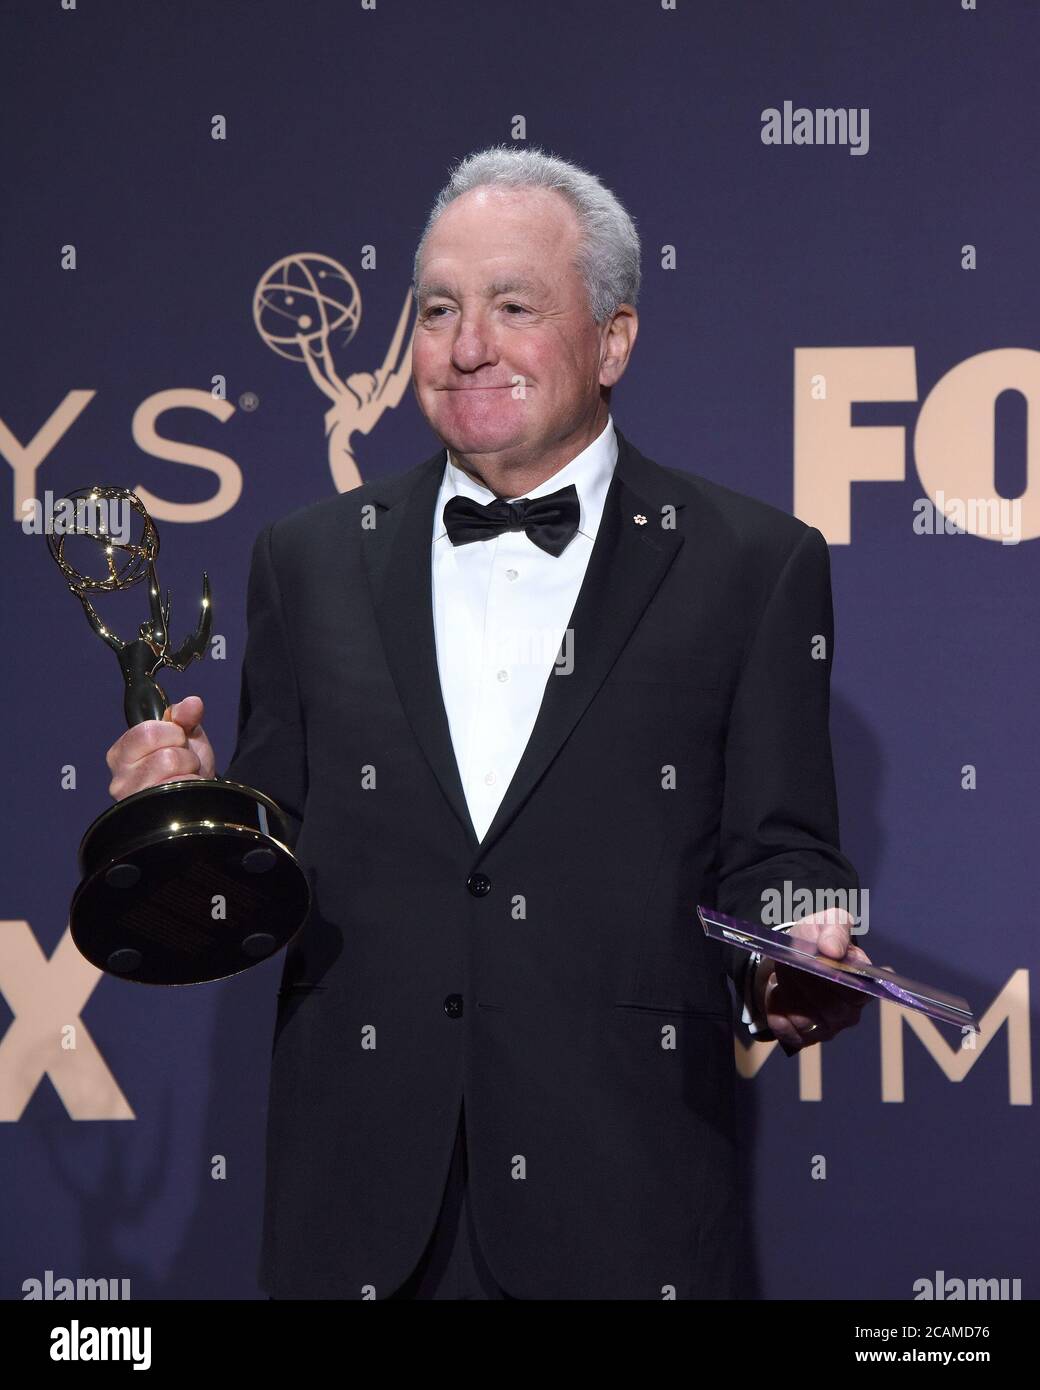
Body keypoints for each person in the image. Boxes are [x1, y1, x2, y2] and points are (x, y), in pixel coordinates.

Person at [105, 146, 869, 1300]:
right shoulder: (305, 560)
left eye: (515, 307)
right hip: (355, 1212)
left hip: (625, 1203)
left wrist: (790, 953)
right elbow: (271, 872)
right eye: (438, 311)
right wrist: (195, 817)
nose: (468, 347)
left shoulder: (753, 566)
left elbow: (781, 849)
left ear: (613, 338)